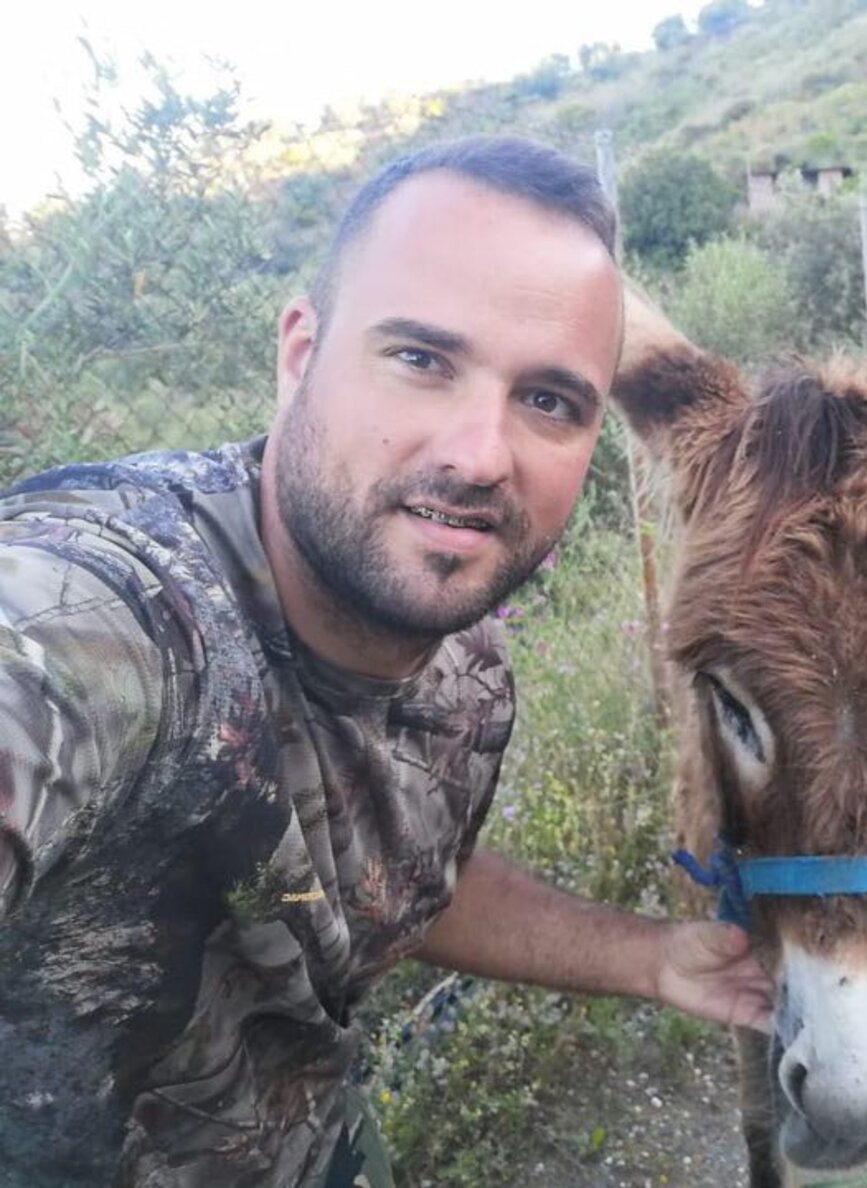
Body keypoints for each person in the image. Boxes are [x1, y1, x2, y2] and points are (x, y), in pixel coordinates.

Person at [0, 137, 771, 1187]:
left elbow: (393, 877)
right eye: (420, 359)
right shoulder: (115, 613)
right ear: (297, 353)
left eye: (548, 399)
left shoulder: (466, 665)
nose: (477, 454)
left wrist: (654, 959)